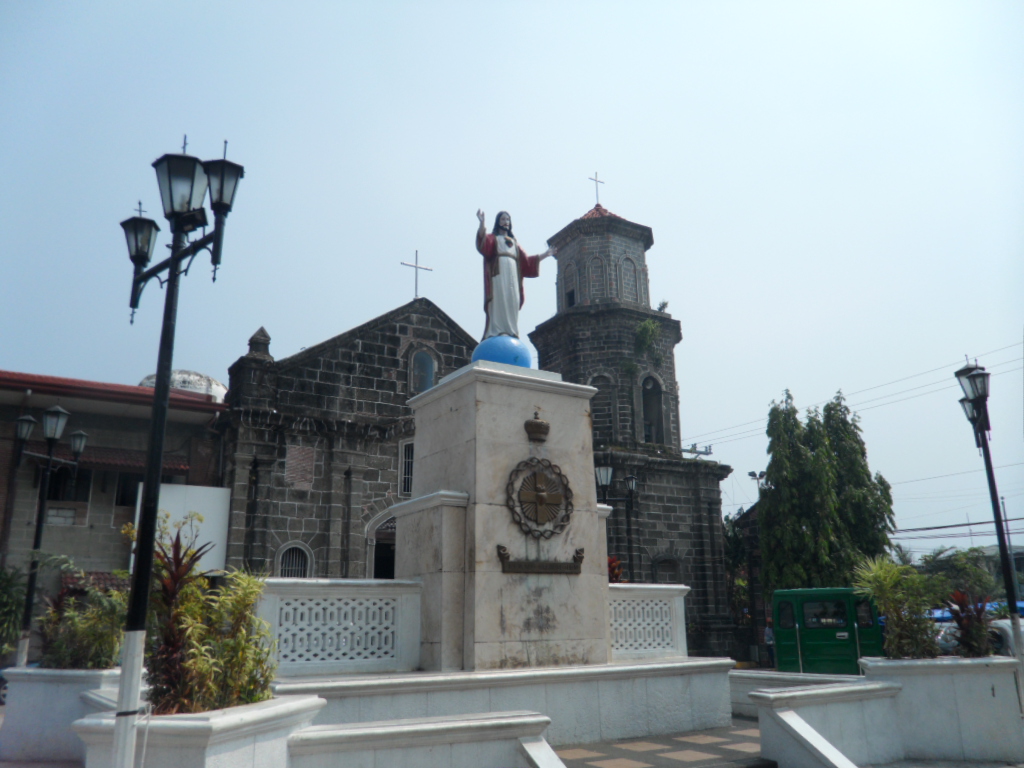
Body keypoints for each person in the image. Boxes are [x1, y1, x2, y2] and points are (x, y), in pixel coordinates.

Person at [475, 210, 555, 340]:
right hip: (498, 275)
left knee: (512, 299)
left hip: (513, 276)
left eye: (508, 219)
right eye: (503, 219)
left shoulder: (515, 244)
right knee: (500, 299)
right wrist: (482, 223)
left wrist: (546, 254)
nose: (506, 222)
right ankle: (497, 330)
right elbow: (482, 243)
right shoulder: (493, 238)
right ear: (498, 222)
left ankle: (511, 330)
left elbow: (527, 262)